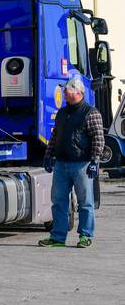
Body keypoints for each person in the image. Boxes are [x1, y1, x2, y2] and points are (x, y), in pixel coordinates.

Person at [39, 74, 107, 248]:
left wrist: (94, 161)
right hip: (61, 164)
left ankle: (85, 235)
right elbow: (55, 136)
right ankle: (57, 237)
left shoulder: (91, 113)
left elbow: (98, 138)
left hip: (82, 164)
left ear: (78, 91)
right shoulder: (62, 113)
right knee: (59, 202)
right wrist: (49, 155)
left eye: (67, 89)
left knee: (85, 202)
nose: (64, 92)